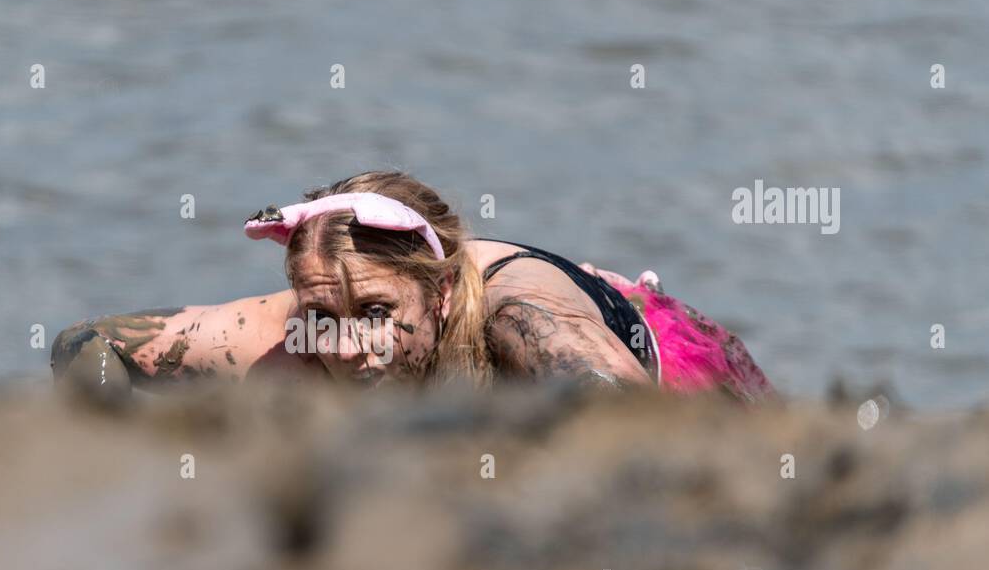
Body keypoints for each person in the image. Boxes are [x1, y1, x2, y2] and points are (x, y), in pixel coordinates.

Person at [51, 171, 775, 401]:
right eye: (324, 315)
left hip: (684, 370)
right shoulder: (307, 330)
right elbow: (86, 344)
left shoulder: (517, 321)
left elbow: (633, 418)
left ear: (441, 295)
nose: (352, 344)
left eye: (376, 312)